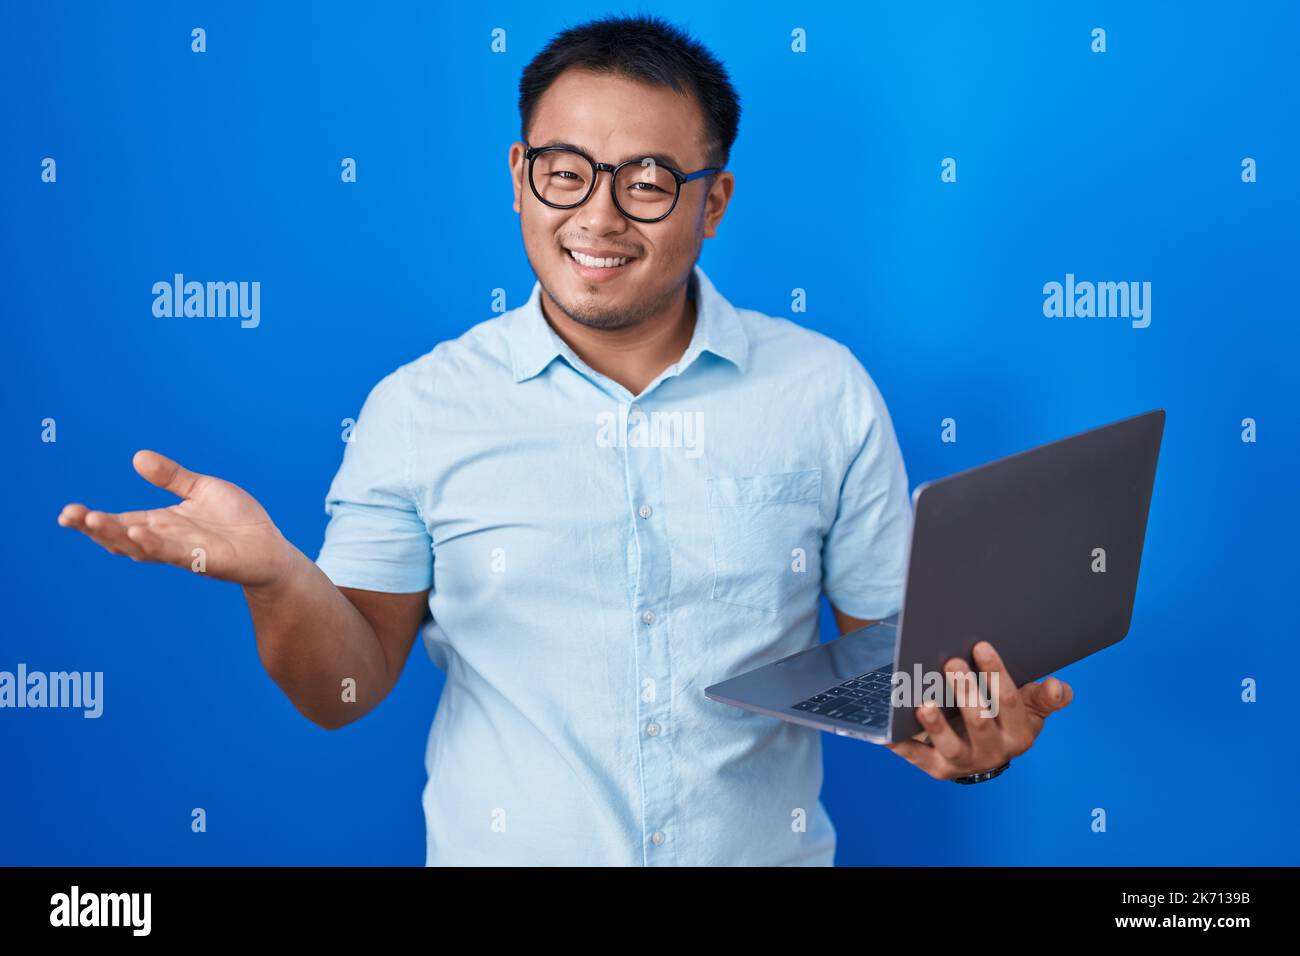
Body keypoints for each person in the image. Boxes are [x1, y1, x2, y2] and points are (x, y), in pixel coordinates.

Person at [58, 14, 1072, 866]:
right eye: (564, 171)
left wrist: (967, 737)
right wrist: (277, 577)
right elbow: (345, 689)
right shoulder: (418, 406)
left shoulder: (822, 389)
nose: (596, 216)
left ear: (712, 201)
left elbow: (896, 665)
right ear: (518, 175)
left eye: (646, 181)